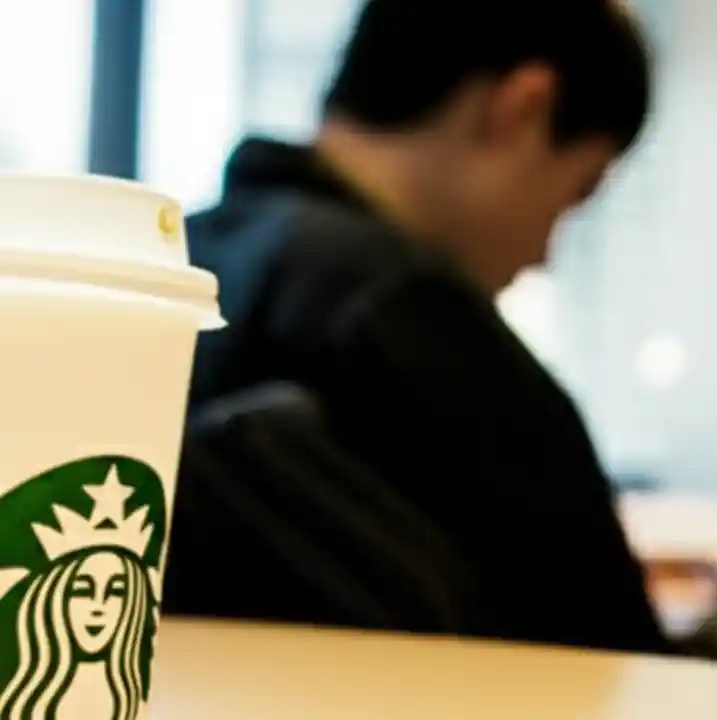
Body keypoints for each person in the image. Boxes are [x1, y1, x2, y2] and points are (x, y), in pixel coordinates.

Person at [175, 0, 665, 653]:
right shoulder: (412, 313)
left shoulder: (190, 256)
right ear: (521, 108)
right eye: (575, 193)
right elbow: (617, 656)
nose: (545, 253)